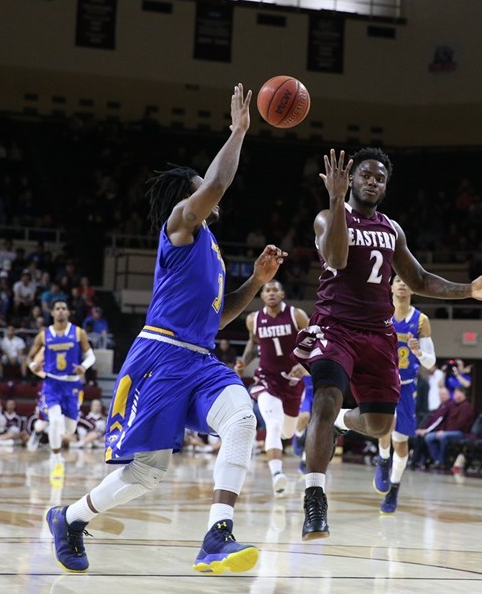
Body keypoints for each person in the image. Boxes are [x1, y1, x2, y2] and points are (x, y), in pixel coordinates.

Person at [46, 84, 285, 576]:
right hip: (159, 359)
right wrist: (239, 132)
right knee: (146, 475)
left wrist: (255, 282)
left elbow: (216, 318)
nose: (208, 193)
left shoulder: (213, 249)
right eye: (199, 188)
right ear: (188, 198)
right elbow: (216, 185)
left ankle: (217, 534)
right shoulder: (179, 226)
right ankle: (67, 519)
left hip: (199, 358)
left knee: (241, 419)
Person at [293, 148, 482, 540]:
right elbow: (337, 257)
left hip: (377, 333)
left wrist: (469, 291)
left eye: (380, 177)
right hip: (334, 326)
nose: (372, 181)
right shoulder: (328, 216)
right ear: (351, 178)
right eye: (365, 175)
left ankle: (342, 423)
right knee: (326, 398)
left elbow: (420, 280)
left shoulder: (392, 229)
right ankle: (315, 498)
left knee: (380, 425)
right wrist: (335, 197)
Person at [235, 280, 310, 495]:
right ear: (262, 295)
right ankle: (277, 474)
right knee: (274, 424)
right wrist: (244, 362)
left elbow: (315, 342)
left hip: (293, 381)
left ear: (283, 293)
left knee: (287, 432)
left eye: (275, 289)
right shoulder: (254, 319)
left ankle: (299, 433)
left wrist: (303, 366)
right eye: (267, 290)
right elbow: (252, 343)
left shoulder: (297, 315)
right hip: (266, 379)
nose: (271, 293)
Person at [373, 275, 438, 514]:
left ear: (413, 288)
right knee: (385, 423)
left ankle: (394, 488)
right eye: (397, 279)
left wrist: (418, 351)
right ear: (390, 286)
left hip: (408, 385)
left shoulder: (421, 320)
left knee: (401, 444)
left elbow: (431, 363)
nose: (402, 283)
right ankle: (381, 459)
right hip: (383, 381)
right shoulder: (380, 313)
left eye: (406, 280)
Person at [26, 300, 93, 482]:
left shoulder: (79, 332)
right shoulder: (44, 335)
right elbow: (30, 358)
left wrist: (84, 366)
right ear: (53, 313)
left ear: (68, 312)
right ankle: (56, 459)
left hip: (72, 385)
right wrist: (33, 365)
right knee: (55, 421)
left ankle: (44, 429)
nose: (61, 311)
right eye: (57, 309)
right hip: (52, 384)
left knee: (69, 430)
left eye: (64, 308)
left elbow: (90, 355)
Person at [419, 385, 474, 469]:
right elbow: (444, 420)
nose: (454, 395)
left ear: (463, 394)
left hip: (460, 432)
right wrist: (442, 430)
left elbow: (461, 424)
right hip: (448, 431)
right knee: (429, 437)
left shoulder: (466, 407)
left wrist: (445, 431)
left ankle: (442, 461)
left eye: (456, 392)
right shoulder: (452, 406)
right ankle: (437, 460)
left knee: (443, 436)